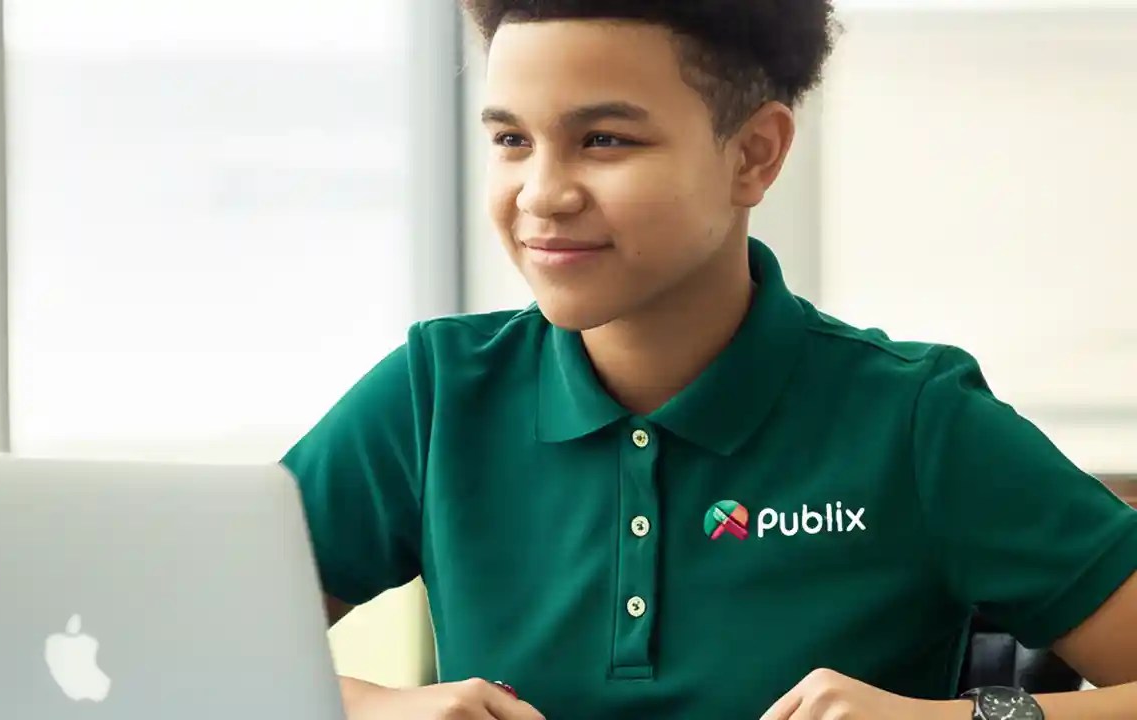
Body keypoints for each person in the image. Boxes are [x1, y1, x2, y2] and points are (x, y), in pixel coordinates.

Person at [282, 2, 1137, 718]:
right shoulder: (435, 394)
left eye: (604, 139)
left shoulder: (916, 419)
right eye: (511, 140)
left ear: (754, 155)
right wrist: (373, 708)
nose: (541, 193)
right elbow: (203, 649)